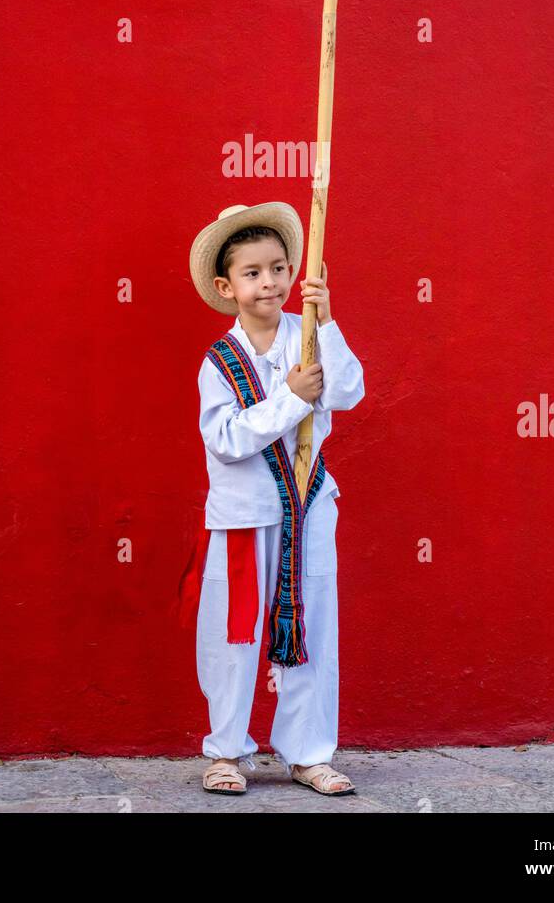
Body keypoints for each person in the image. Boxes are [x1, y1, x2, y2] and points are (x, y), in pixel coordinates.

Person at [185, 201, 365, 797]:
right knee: (234, 635)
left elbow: (347, 392)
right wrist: (289, 399)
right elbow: (226, 438)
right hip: (244, 518)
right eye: (253, 272)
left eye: (279, 268)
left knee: (311, 628)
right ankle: (227, 750)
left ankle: (308, 751)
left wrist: (330, 324)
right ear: (226, 285)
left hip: (309, 508)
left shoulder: (308, 336)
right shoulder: (220, 361)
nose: (270, 282)